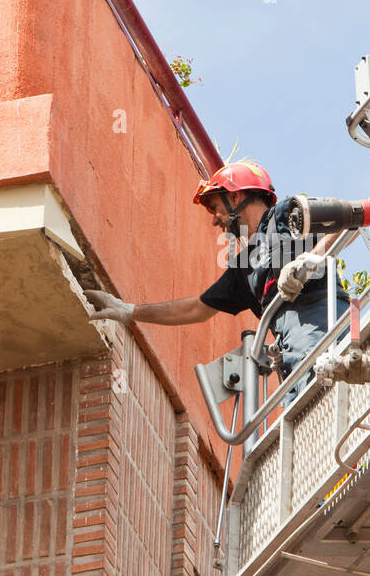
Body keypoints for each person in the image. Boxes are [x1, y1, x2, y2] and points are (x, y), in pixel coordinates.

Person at [83, 160, 348, 402]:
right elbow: (197, 309)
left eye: (215, 207)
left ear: (236, 195)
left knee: (324, 400)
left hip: (323, 329)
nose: (213, 220)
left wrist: (308, 261)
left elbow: (347, 217)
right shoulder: (244, 269)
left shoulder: (285, 215)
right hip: (292, 356)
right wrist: (130, 312)